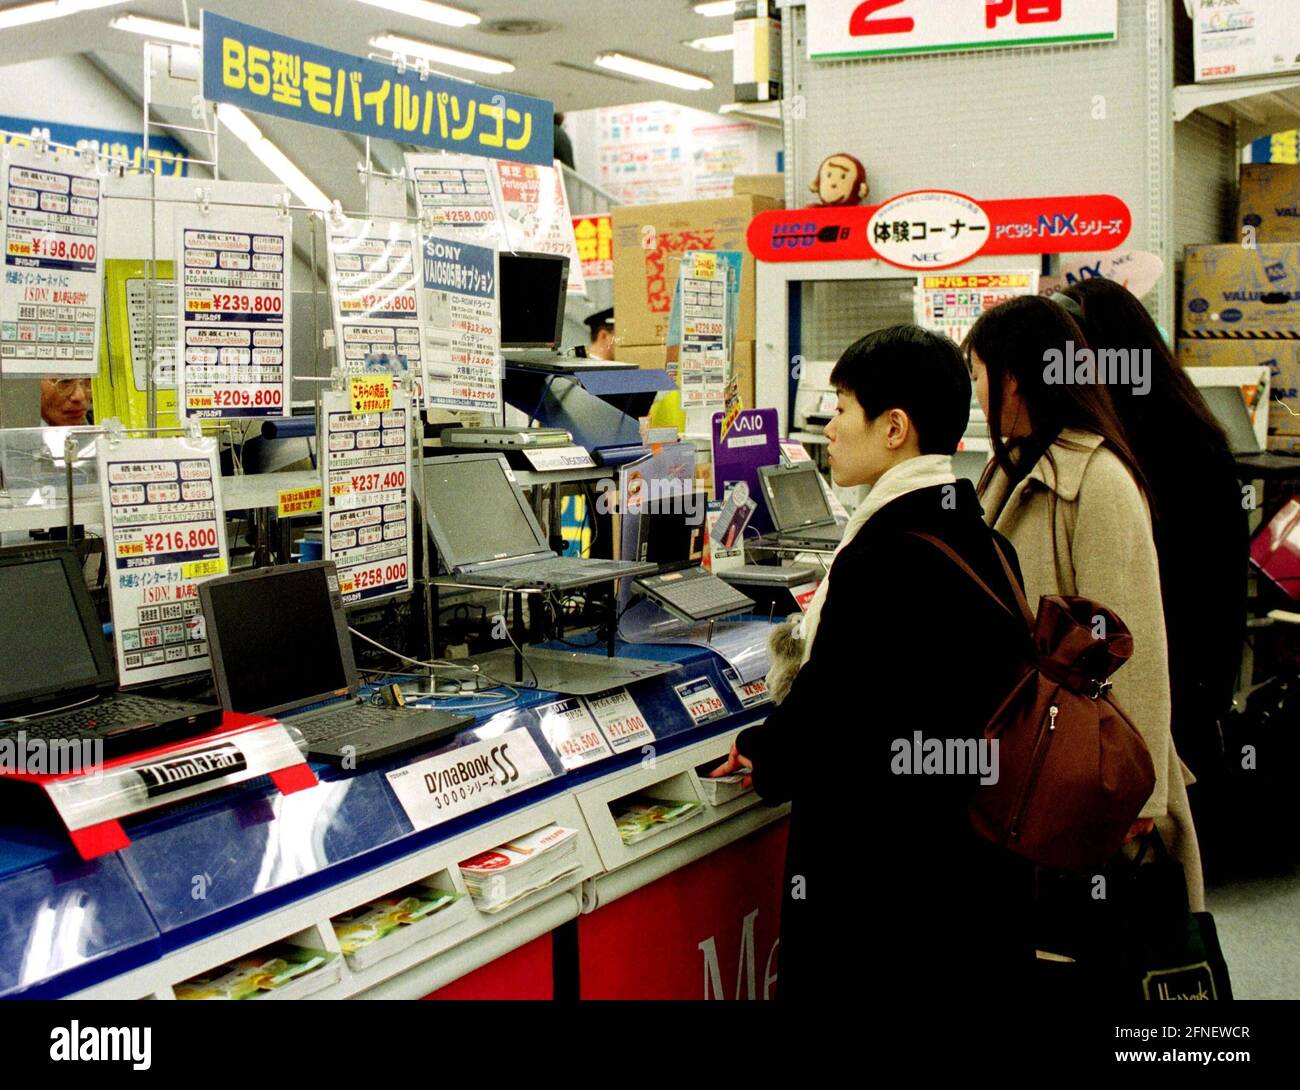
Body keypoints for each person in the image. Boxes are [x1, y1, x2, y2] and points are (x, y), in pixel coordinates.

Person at [712, 324, 1036, 1002]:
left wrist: (762, 750)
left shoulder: (886, 554)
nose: (828, 428)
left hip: (884, 893)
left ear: (894, 427)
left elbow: (834, 710)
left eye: (841, 408)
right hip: (972, 877)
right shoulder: (982, 540)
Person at [965, 295, 1205, 916]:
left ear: (1013, 378)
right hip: (1035, 758)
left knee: (1099, 942)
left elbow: (1135, 642)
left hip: (1089, 768)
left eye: (979, 373)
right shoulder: (1009, 466)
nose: (975, 390)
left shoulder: (1099, 480)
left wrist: (1141, 798)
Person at [1056, 279, 1246, 795]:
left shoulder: (1142, 448)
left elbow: (1189, 583)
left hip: (1167, 675)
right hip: (1178, 675)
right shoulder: (1183, 430)